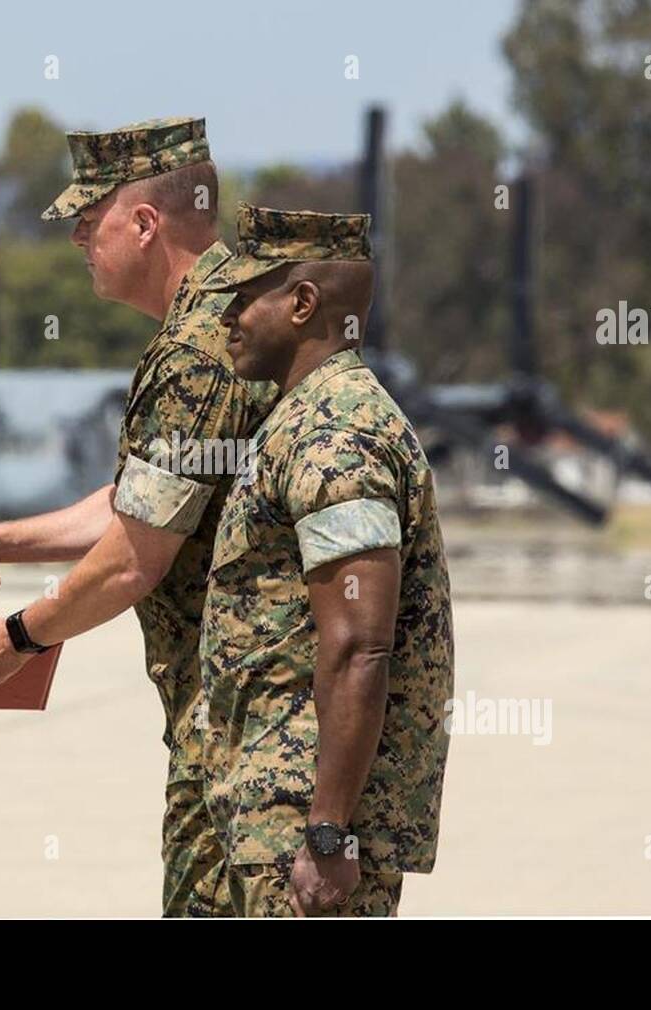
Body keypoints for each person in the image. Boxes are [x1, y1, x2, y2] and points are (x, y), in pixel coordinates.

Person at [0, 118, 276, 916]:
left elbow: (134, 558)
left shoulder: (199, 350)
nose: (78, 236)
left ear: (145, 224)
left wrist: (16, 637)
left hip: (249, 731)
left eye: (91, 217)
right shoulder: (220, 323)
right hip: (237, 720)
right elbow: (135, 506)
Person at [197, 203, 454, 916]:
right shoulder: (306, 418)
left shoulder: (336, 435)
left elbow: (357, 644)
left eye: (245, 299)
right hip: (281, 805)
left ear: (303, 304)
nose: (229, 319)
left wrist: (329, 831)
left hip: (302, 817)